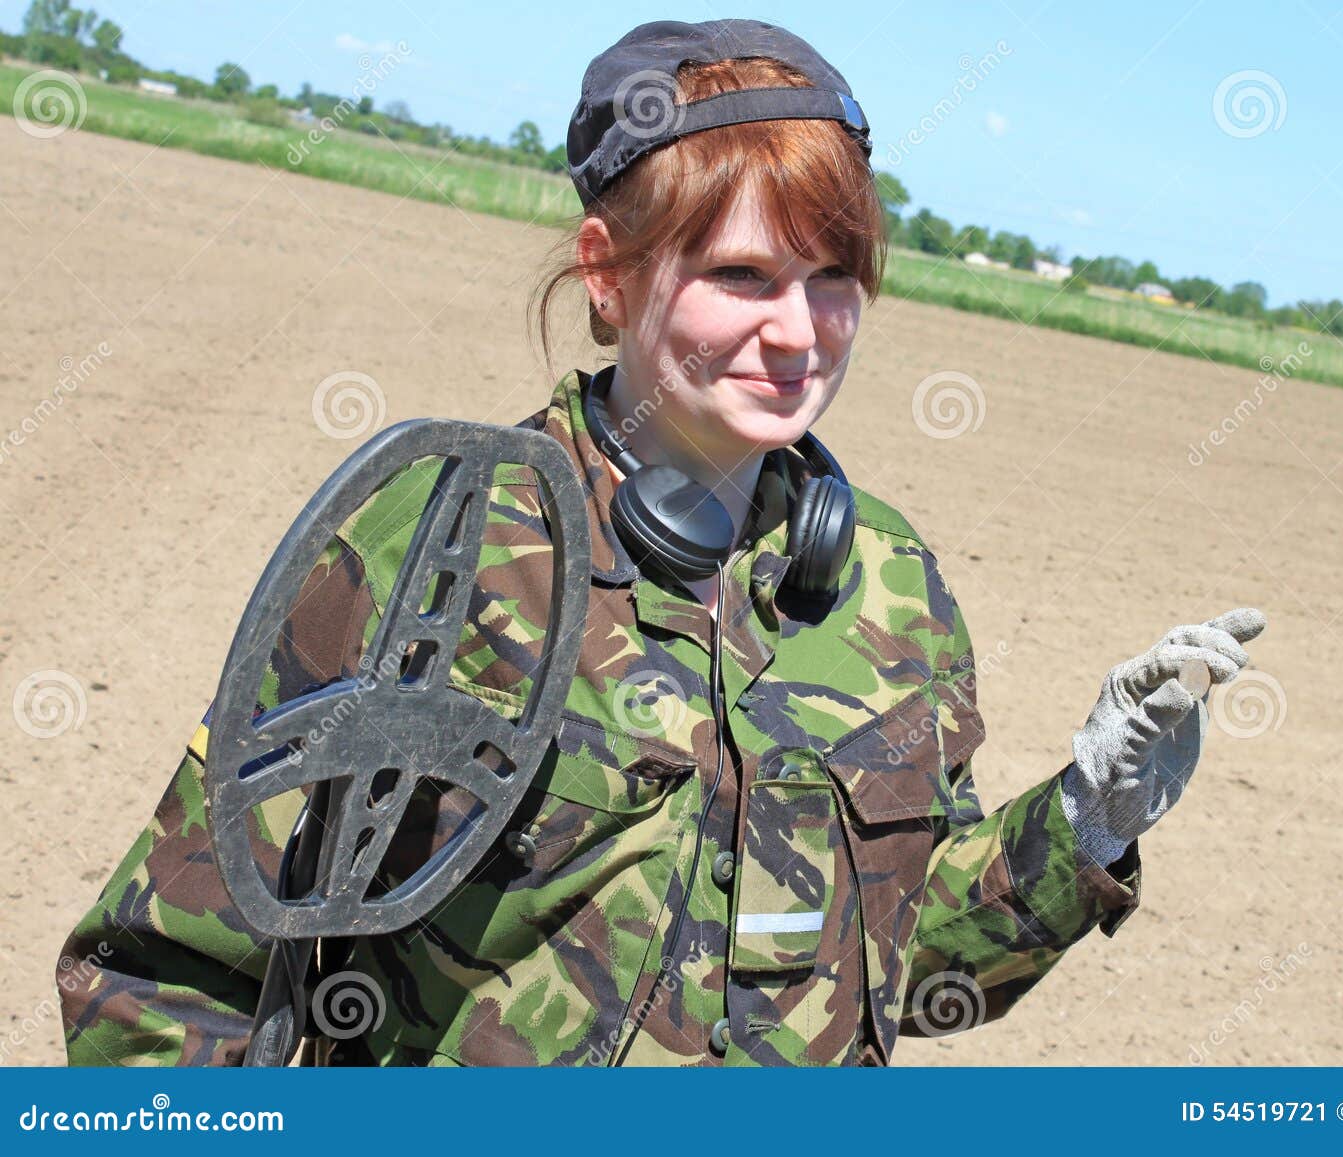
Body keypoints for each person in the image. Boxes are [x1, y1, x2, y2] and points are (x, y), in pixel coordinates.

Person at [56, 17, 1265, 1067]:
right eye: (741, 274)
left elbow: (903, 964)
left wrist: (1088, 822)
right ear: (609, 275)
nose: (798, 331)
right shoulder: (449, 542)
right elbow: (168, 963)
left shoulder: (888, 584)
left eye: (834, 274)